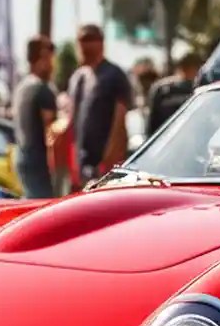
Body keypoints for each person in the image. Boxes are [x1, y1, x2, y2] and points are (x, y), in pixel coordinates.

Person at [67, 24, 133, 186]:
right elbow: (73, 121)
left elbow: (119, 122)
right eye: (81, 40)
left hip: (106, 164)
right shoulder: (78, 78)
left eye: (89, 39)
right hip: (83, 162)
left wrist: (109, 160)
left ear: (101, 43)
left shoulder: (114, 75)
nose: (83, 45)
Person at [12, 36, 59, 199]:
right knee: (45, 206)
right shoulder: (42, 89)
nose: (52, 64)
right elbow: (51, 132)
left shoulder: (22, 86)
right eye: (50, 58)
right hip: (39, 161)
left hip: (22, 154)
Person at [146, 53, 202, 137]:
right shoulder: (162, 89)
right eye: (186, 66)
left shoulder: (201, 89)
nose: (189, 70)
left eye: (192, 66)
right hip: (168, 138)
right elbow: (152, 124)